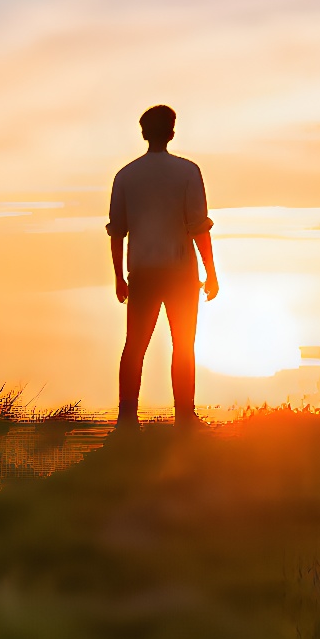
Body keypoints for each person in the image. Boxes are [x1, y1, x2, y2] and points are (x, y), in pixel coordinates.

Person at [107, 104, 218, 428]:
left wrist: (118, 276)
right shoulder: (187, 172)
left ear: (143, 132)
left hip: (142, 270)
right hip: (181, 270)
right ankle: (184, 415)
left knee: (134, 345)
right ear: (171, 131)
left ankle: (127, 416)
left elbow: (117, 231)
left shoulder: (126, 175)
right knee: (184, 344)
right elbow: (198, 226)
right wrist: (211, 272)